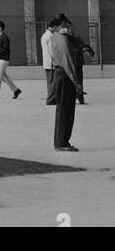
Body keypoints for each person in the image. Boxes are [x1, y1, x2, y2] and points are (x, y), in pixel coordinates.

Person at [47, 16, 80, 152]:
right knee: (65, 109)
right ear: (62, 24)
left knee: (64, 109)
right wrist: (75, 81)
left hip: (61, 74)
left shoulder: (56, 37)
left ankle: (62, 141)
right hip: (65, 75)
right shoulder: (60, 39)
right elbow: (67, 61)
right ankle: (62, 142)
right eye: (67, 25)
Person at [56, 15, 92, 106]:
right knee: (77, 79)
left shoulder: (64, 34)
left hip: (72, 60)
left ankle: (77, 96)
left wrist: (86, 49)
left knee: (73, 79)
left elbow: (79, 43)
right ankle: (79, 97)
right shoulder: (66, 34)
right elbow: (80, 44)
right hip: (74, 61)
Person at [0, 20, 21, 100]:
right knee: (3, 77)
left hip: (3, 60)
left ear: (0, 28)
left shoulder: (5, 38)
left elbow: (5, 50)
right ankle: (16, 90)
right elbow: (0, 49)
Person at [41, 18, 57, 106]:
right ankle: (51, 99)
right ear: (53, 26)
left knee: (50, 82)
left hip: (46, 62)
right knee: (52, 82)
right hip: (51, 62)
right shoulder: (51, 36)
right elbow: (52, 50)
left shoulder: (44, 35)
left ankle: (51, 98)